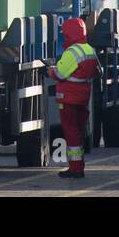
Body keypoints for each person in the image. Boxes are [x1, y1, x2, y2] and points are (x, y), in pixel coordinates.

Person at [46, 17, 99, 179]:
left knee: (71, 132)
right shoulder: (89, 49)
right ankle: (78, 166)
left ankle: (75, 168)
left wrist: (50, 71)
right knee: (78, 131)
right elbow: (96, 71)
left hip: (69, 98)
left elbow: (61, 73)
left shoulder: (71, 52)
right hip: (83, 96)